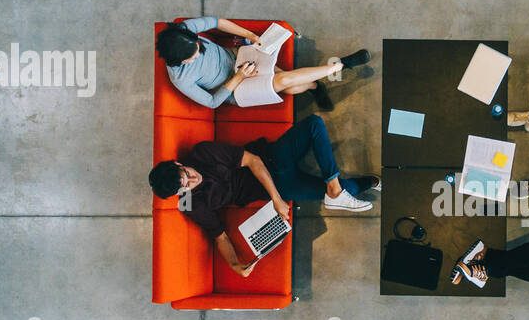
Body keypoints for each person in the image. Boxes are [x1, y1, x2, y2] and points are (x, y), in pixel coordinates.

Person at [148, 115, 378, 277]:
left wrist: (277, 200)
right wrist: (235, 264)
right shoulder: (190, 204)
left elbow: (253, 161)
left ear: (179, 163)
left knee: (314, 123)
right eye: (185, 186)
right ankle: (370, 182)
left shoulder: (202, 153)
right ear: (180, 193)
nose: (192, 181)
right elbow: (220, 236)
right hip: (282, 185)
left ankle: (336, 189)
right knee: (343, 188)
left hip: (271, 159)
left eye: (186, 174)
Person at [156, 16, 370, 112]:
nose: (198, 54)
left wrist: (250, 34)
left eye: (198, 47)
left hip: (238, 57)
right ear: (179, 61)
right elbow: (212, 102)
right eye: (193, 57)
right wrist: (239, 77)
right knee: (285, 79)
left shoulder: (183, 29)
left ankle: (315, 86)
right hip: (235, 90)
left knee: (292, 86)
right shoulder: (180, 78)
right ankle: (340, 66)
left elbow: (217, 22)